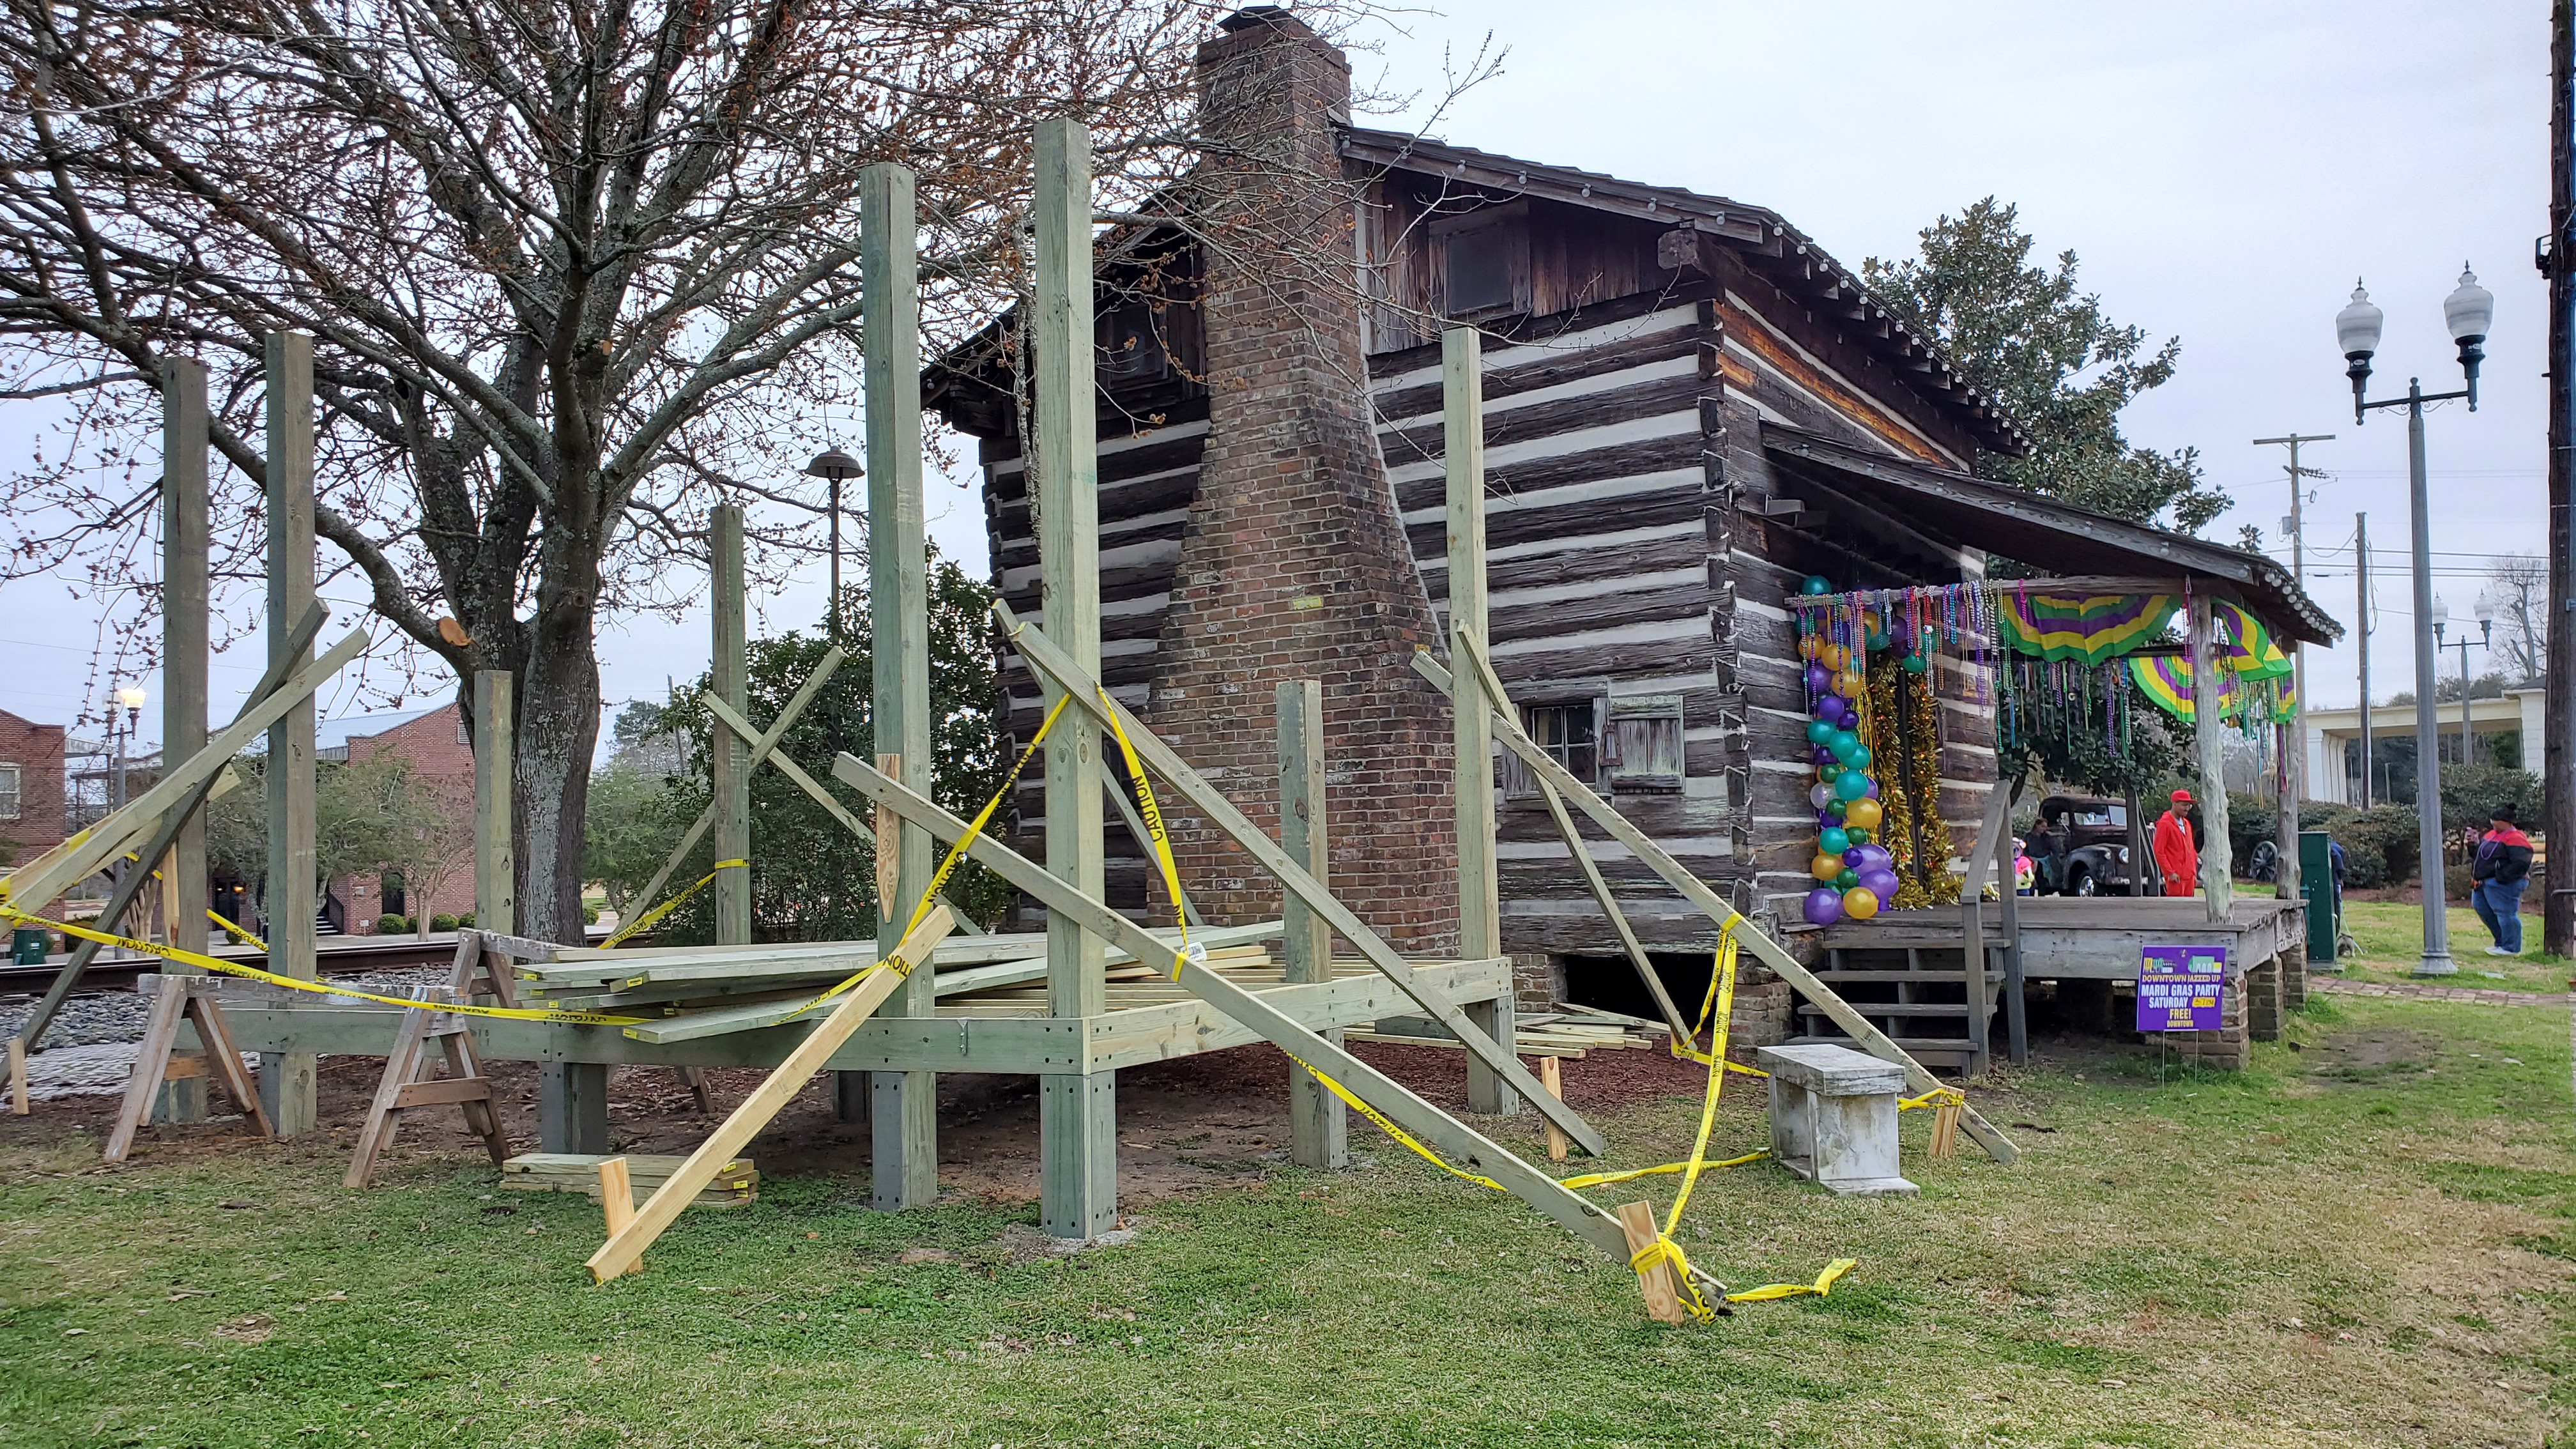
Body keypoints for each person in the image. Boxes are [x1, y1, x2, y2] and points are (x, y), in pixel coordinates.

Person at [2471, 803, 2535, 956]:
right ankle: (2501, 942)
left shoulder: (2516, 837)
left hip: (2504, 883)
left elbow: (2521, 863)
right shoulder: (2491, 835)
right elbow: (2481, 856)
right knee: (2483, 909)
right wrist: (2473, 844)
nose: (2493, 824)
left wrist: (2500, 878)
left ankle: (2511, 947)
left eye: (2496, 822)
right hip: (2484, 883)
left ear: (2507, 822)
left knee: (2505, 913)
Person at [2152, 788, 2199, 898]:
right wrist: (2170, 873)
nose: (2187, 808)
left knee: (2188, 909)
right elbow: (2159, 851)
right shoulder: (2165, 824)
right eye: (2184, 805)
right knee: (2176, 910)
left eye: (2189, 805)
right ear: (2175, 804)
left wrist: (2194, 873)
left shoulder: (2187, 824)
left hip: (2189, 877)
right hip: (2176, 878)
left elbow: (2191, 850)